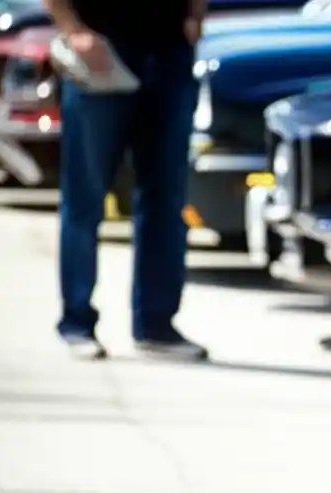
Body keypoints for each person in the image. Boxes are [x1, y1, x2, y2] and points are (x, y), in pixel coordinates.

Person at [45, 0, 209, 361]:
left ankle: (156, 326)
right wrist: (74, 30)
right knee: (84, 198)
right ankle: (77, 323)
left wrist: (195, 17)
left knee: (165, 199)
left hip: (168, 55)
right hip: (99, 52)